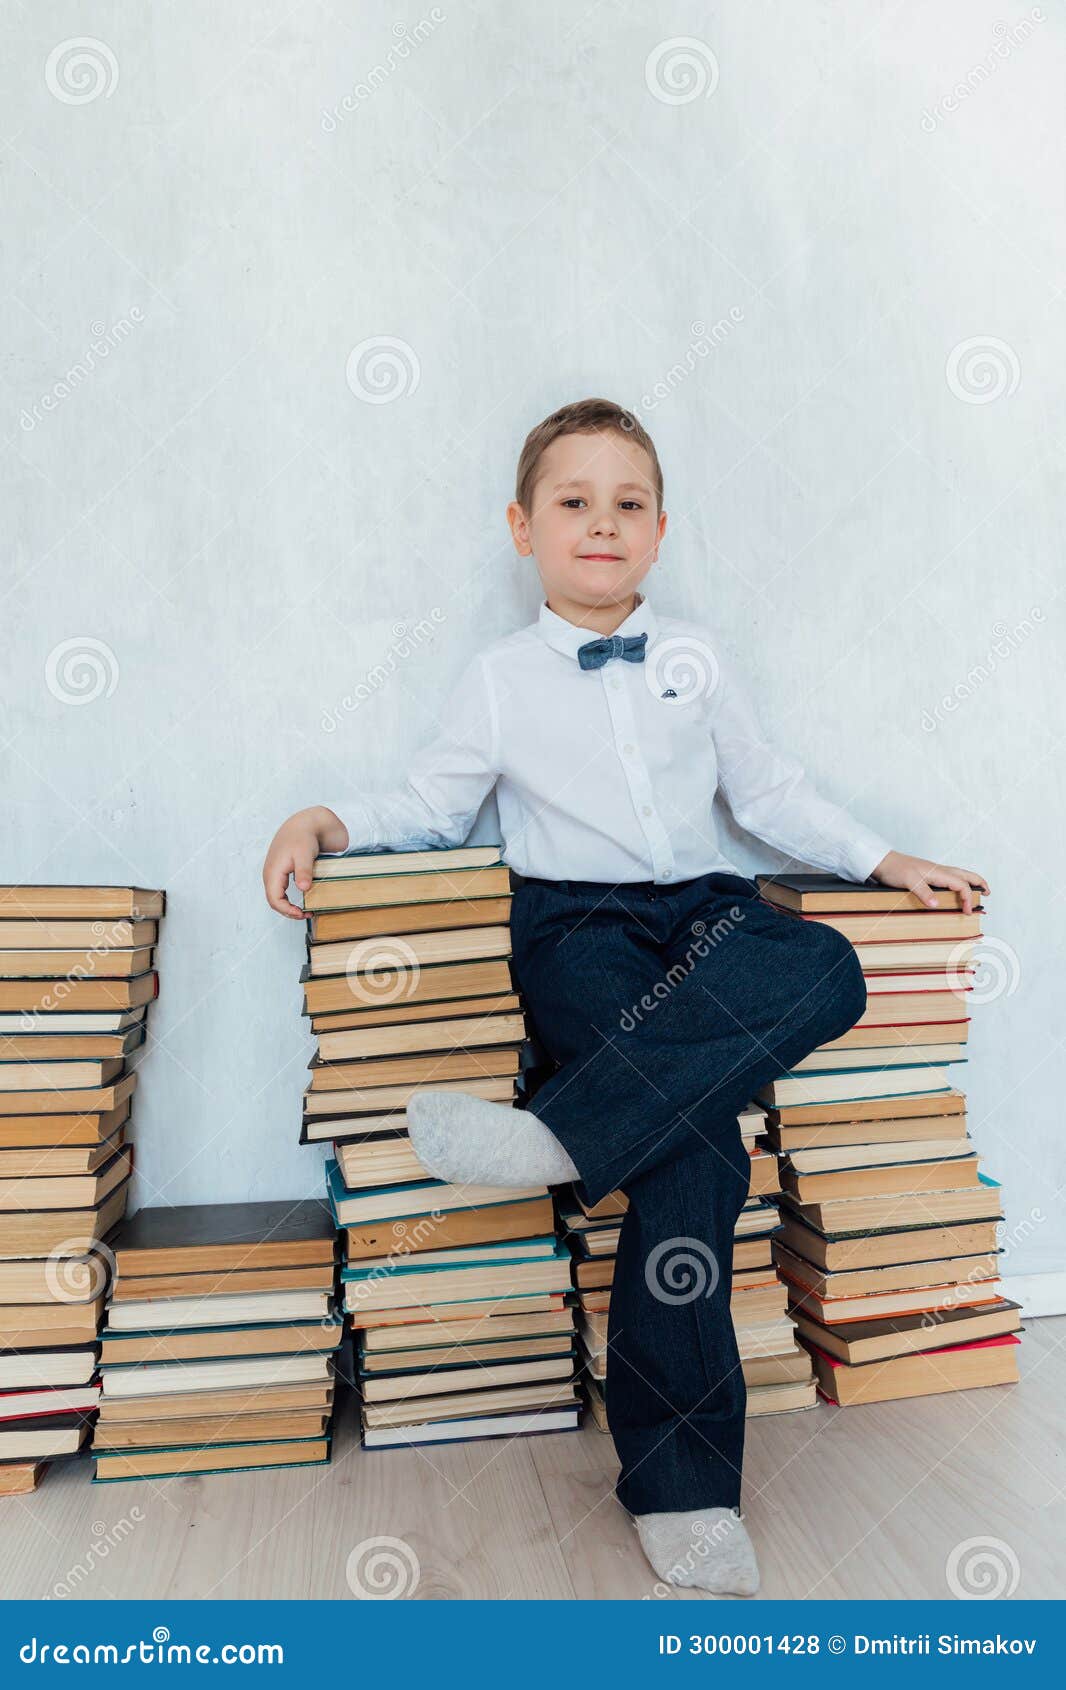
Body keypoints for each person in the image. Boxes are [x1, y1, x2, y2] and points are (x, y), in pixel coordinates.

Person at [263, 397, 989, 1595]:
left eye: (628, 503)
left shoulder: (698, 657)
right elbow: (431, 805)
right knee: (693, 1153)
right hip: (576, 924)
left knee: (829, 963)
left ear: (660, 531)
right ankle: (687, 1490)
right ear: (521, 526)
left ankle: (567, 1128)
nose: (601, 523)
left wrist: (881, 857)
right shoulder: (496, 678)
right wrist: (323, 817)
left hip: (701, 905)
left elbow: (768, 792)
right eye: (572, 501)